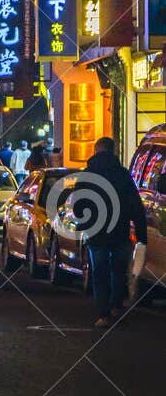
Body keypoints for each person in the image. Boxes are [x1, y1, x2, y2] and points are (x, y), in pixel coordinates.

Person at [75, 136, 147, 327]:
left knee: (99, 272)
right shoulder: (123, 174)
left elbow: (79, 203)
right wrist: (141, 233)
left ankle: (103, 313)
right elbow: (135, 205)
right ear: (113, 151)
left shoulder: (88, 174)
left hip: (96, 230)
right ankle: (116, 304)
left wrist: (83, 222)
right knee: (118, 269)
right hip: (119, 229)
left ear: (96, 150)